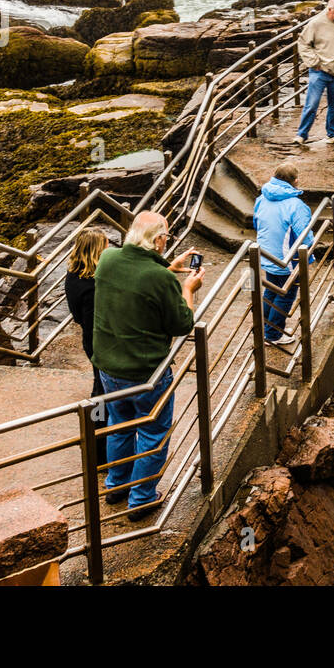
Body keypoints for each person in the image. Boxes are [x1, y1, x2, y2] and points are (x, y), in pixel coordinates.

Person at [92, 211, 204, 520]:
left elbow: (135, 282)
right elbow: (182, 323)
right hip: (145, 372)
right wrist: (186, 289)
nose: (167, 241)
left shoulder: (108, 259)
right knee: (153, 432)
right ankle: (141, 498)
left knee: (119, 425)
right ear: (157, 240)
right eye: (165, 237)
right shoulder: (161, 279)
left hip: (108, 368)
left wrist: (169, 266)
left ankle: (116, 485)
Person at [253, 163, 314, 346]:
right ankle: (273, 334)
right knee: (286, 295)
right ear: (295, 181)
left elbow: (256, 223)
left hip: (266, 253)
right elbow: (306, 236)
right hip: (287, 260)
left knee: (271, 290)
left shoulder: (261, 198)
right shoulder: (296, 205)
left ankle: (268, 327)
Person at [65, 229, 109, 465]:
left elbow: (77, 315)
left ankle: (98, 446)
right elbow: (94, 322)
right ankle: (99, 449)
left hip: (88, 339)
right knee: (100, 393)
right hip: (99, 343)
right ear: (97, 250)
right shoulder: (93, 286)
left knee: (99, 388)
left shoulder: (73, 275)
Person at [294, 0, 334, 147]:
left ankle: (333, 134)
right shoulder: (316, 23)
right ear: (330, 9)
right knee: (312, 104)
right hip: (320, 72)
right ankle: (302, 135)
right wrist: (314, 62)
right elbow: (303, 43)